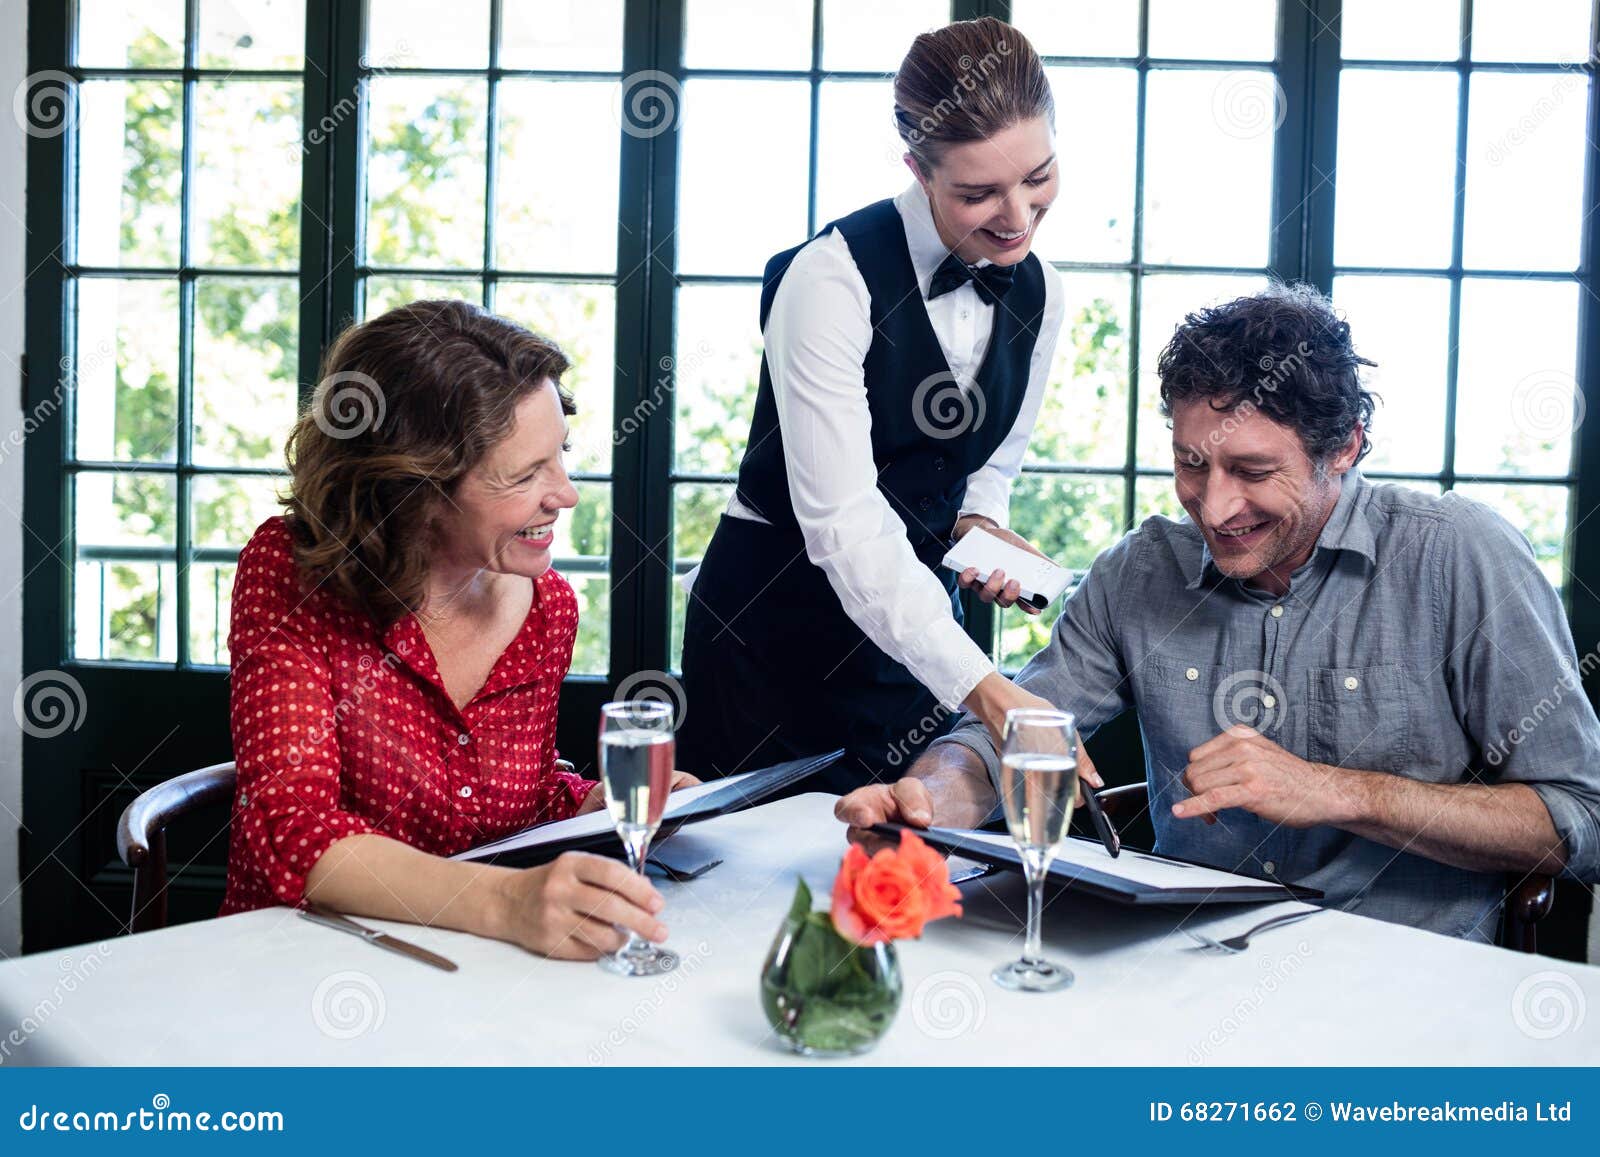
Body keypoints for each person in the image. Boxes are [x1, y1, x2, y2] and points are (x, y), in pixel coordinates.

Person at [836, 283, 1600, 941]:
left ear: (1344, 448)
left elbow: (1583, 816)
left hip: (1402, 981)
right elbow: (1009, 734)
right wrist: (927, 801)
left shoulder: (1460, 556)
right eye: (1192, 464)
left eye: (1253, 470)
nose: (1216, 506)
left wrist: (1336, 790)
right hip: (1184, 968)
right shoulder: (1138, 572)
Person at [219, 299, 697, 960]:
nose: (566, 493)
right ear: (418, 489)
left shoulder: (548, 608)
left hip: (471, 968)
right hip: (298, 961)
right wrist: (506, 902)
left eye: (560, 454)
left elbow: (516, 800)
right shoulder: (291, 574)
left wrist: (592, 805)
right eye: (525, 474)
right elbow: (293, 832)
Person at [678, 17, 1074, 792]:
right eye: (978, 193)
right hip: (771, 635)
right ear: (918, 170)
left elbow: (992, 460)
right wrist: (987, 688)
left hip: (911, 641)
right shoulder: (828, 279)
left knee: (905, 850)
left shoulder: (1044, 293)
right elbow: (845, 523)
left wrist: (978, 522)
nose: (1018, 216)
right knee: (751, 862)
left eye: (1039, 177)